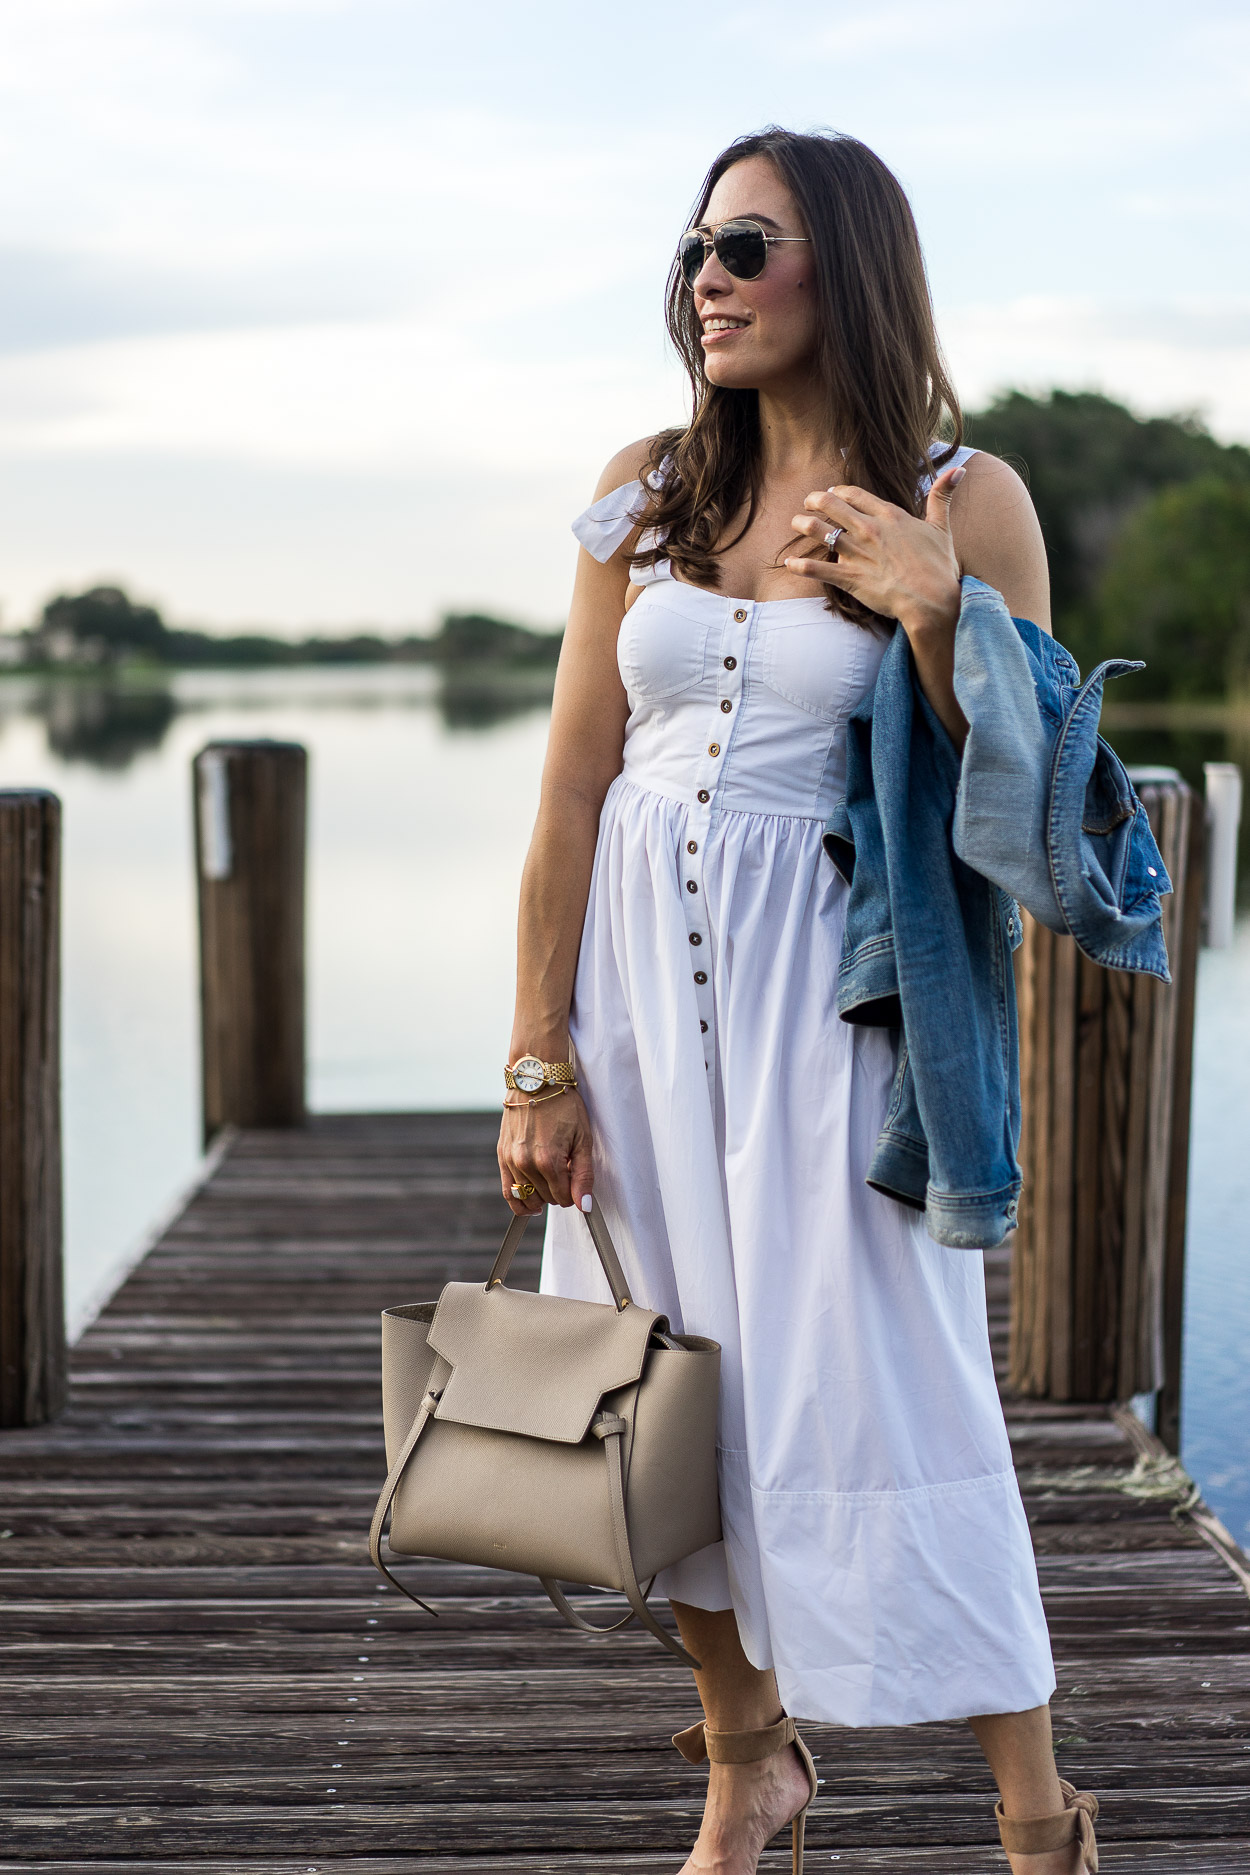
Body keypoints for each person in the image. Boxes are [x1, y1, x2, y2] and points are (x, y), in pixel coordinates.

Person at [497, 127, 1098, 1875]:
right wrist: (539, 1055)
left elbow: (1039, 811)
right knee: (657, 1384)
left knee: (887, 1383)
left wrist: (930, 614)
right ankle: (745, 1765)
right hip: (636, 1008)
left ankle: (1034, 1813)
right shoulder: (647, 489)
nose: (708, 276)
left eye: (747, 243)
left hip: (835, 1014)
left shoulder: (959, 495)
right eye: (693, 245)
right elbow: (569, 787)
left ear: (846, 259)